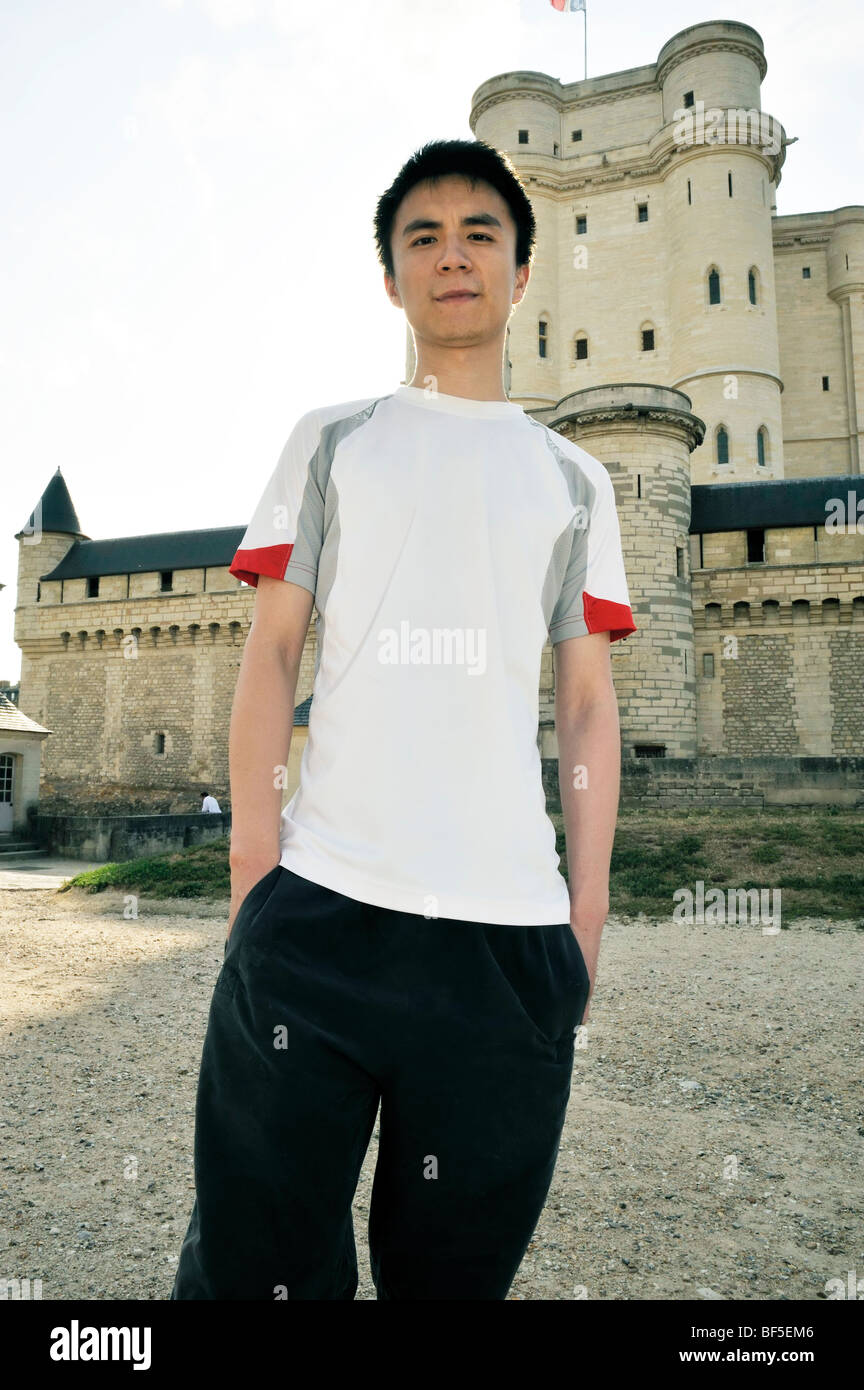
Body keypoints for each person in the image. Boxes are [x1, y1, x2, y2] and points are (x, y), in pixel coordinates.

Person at [171, 137, 636, 1302]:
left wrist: (583, 920)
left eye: (481, 232)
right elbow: (273, 654)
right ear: (391, 277)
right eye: (422, 236)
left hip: (507, 948)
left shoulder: (577, 481)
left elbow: (585, 707)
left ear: (522, 271)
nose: (453, 255)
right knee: (255, 1272)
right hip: (316, 921)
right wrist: (255, 879)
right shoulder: (331, 440)